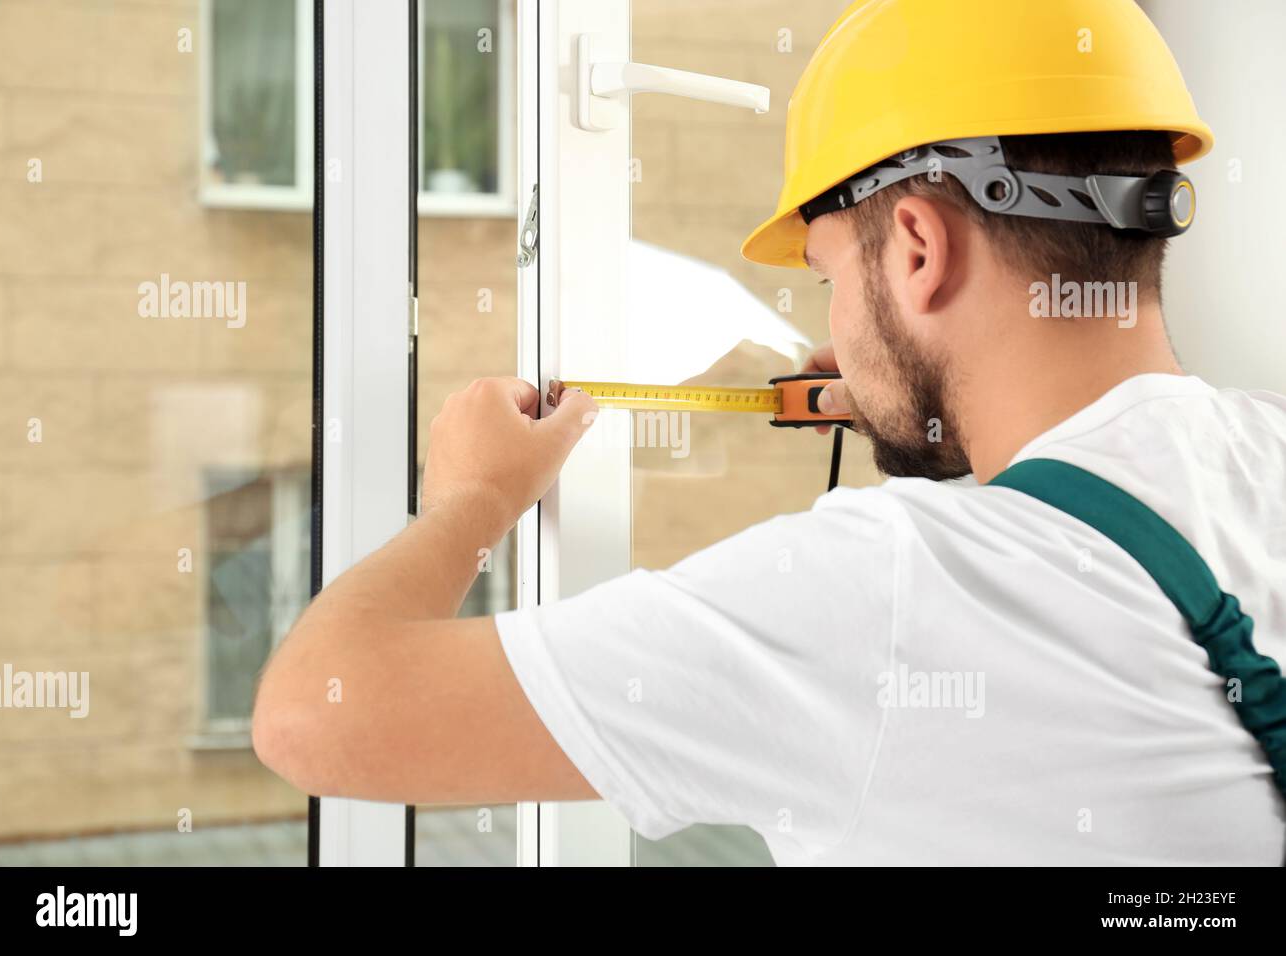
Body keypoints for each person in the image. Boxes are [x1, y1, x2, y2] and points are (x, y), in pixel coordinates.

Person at [253, 0, 1286, 864]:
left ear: (918, 246)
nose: (830, 324)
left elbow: (312, 715)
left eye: (832, 274)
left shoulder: (889, 591)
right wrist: (922, 397)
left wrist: (472, 500)